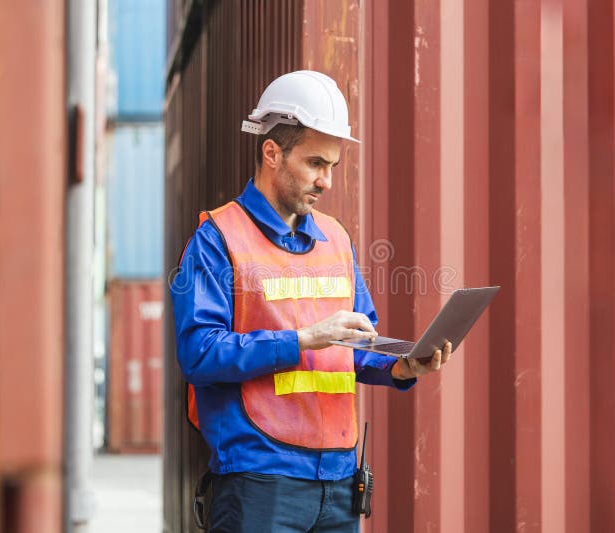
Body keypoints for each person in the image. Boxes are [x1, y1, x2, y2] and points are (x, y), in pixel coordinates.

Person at [170, 70, 452, 533]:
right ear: (272, 153)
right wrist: (303, 339)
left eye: (333, 166)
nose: (326, 181)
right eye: (315, 163)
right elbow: (200, 354)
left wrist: (402, 367)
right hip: (259, 481)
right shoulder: (217, 239)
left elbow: (356, 343)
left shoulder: (335, 239)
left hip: (339, 483)